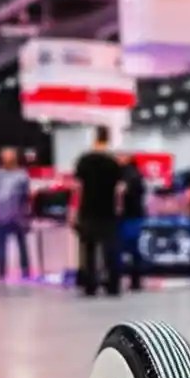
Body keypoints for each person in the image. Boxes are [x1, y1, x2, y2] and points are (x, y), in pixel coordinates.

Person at [73, 126, 123, 297]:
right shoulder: (113, 162)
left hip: (88, 210)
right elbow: (118, 191)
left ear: (94, 138)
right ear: (108, 139)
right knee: (111, 250)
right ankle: (113, 285)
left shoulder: (84, 161)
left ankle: (90, 286)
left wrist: (73, 211)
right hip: (108, 211)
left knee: (89, 250)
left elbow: (78, 188)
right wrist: (118, 209)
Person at [0, 147, 31, 281]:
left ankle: (25, 270)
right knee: (1, 245)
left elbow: (26, 195)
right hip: (1, 216)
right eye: (5, 157)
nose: (8, 160)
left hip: (18, 216)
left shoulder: (22, 174)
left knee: (22, 244)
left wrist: (25, 213)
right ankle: (1, 272)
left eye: (10, 157)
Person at [117, 151, 146, 291]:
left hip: (129, 216)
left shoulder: (128, 174)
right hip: (135, 215)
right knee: (134, 248)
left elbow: (122, 191)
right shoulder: (136, 173)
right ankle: (136, 280)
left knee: (127, 246)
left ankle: (132, 279)